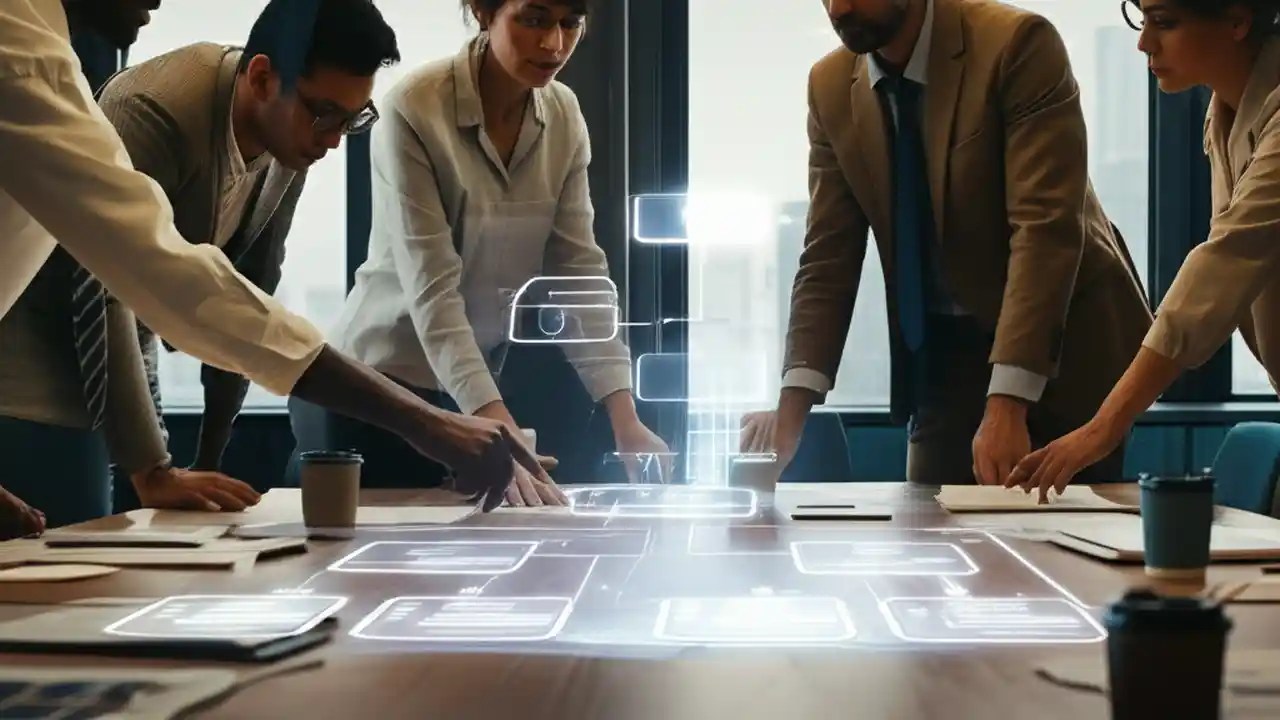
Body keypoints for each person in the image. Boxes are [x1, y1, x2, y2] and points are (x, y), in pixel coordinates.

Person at [0, 0, 545, 539]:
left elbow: (248, 288)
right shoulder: (142, 102)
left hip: (114, 376)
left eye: (351, 120)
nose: (332, 139)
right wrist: (153, 467)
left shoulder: (291, 134)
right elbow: (126, 281)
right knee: (67, 571)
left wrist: (208, 460)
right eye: (324, 115)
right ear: (262, 79)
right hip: (39, 384)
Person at [740, 0, 1153, 485]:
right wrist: (790, 412)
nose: (840, 7)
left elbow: (1044, 230)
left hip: (1061, 346)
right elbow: (828, 257)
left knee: (1052, 525)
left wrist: (1008, 402)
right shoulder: (829, 85)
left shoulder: (1017, 44)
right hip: (942, 358)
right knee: (927, 519)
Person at [288, 0, 669, 503]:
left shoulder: (564, 113)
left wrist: (626, 418)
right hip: (373, 395)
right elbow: (434, 292)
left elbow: (578, 270)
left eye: (570, 24)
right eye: (534, 19)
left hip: (467, 393)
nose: (554, 44)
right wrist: (500, 430)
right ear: (484, 11)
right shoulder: (414, 107)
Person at [1011, 0, 1280, 500]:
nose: (1144, 43)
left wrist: (1103, 427)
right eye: (1142, 21)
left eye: (1165, 23)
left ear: (1237, 20)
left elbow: (1223, 266)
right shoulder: (1223, 113)